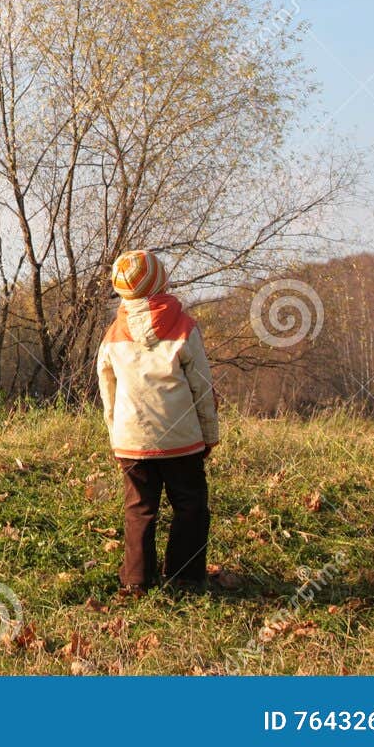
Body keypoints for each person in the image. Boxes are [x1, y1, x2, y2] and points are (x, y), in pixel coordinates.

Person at [96, 249, 219, 593]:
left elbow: (108, 393)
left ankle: (136, 581)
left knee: (139, 509)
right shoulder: (184, 326)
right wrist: (209, 435)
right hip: (182, 441)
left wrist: (115, 438)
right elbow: (202, 389)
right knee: (191, 505)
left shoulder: (112, 335)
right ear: (161, 281)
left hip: (132, 442)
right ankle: (185, 577)